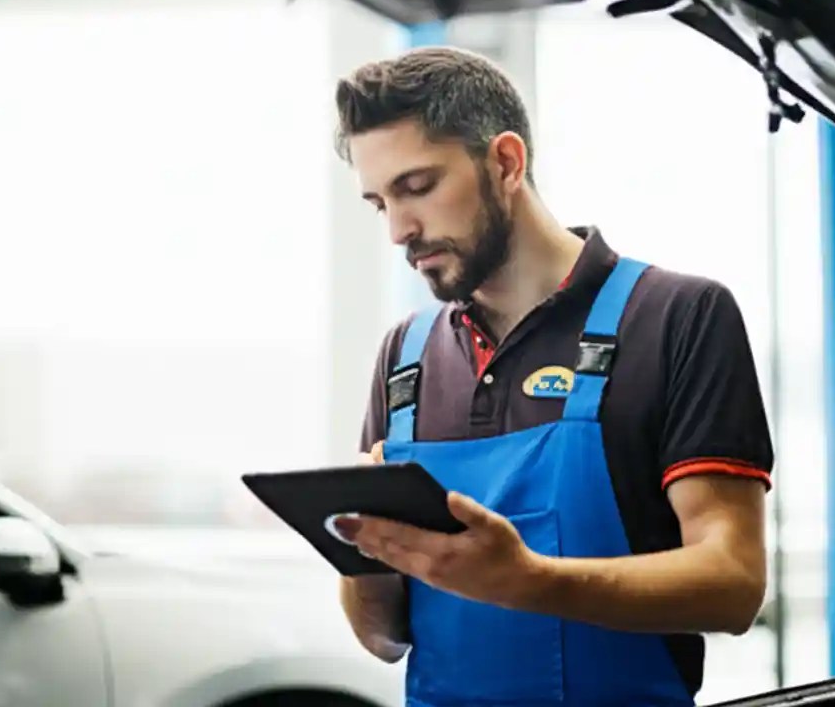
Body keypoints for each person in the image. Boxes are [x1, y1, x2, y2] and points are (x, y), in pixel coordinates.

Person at [330, 46, 774, 707]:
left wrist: (528, 580)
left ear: (506, 162)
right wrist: (360, 551)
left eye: (418, 187)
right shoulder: (406, 356)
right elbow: (385, 637)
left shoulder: (676, 318)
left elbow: (733, 582)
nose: (399, 229)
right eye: (379, 203)